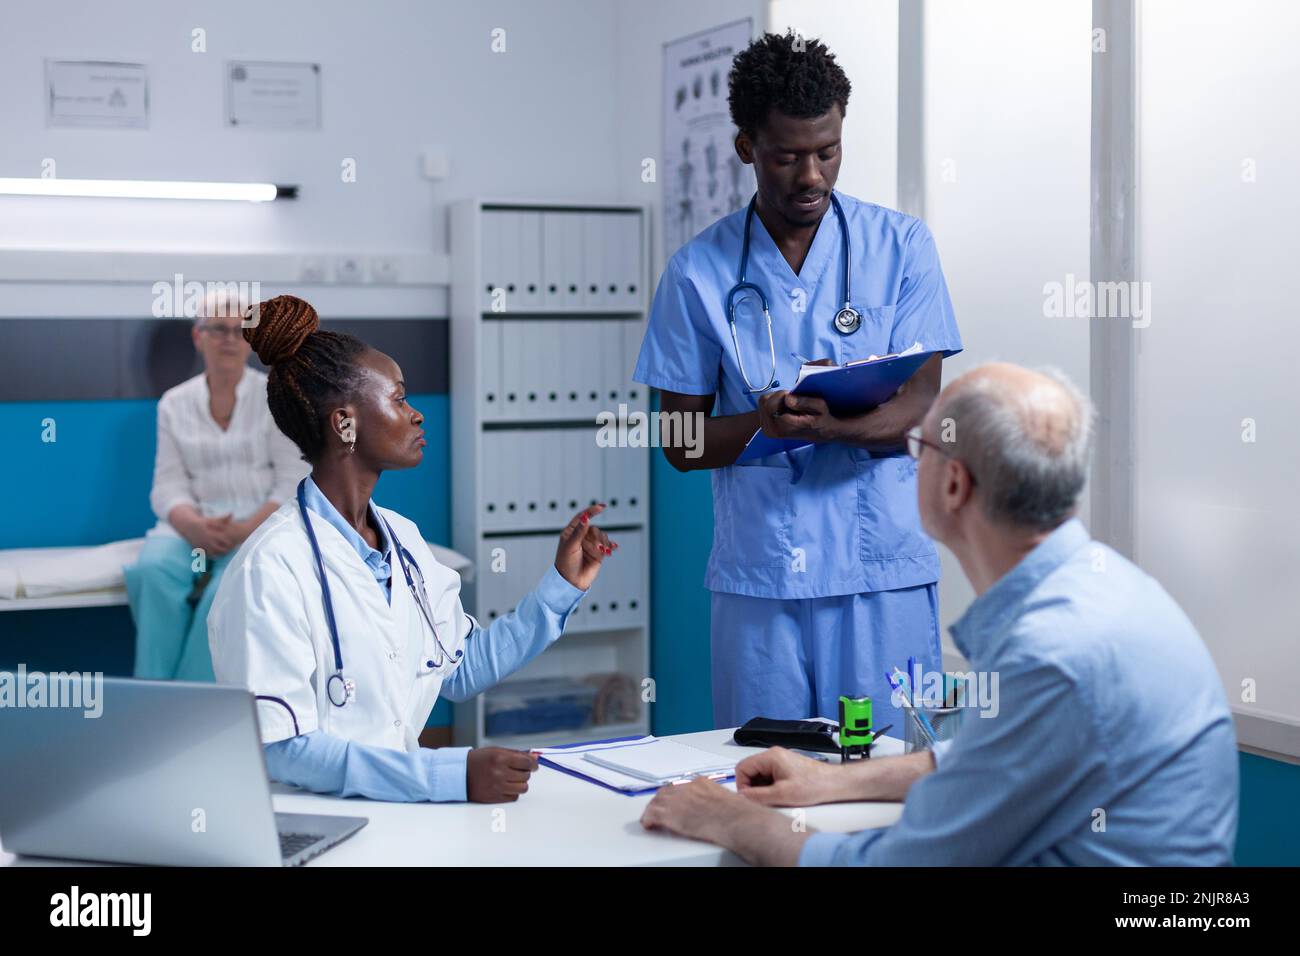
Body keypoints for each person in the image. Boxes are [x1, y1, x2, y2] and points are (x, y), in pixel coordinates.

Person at [640, 364, 1239, 866]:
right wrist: (833, 780)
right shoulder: (1102, 591)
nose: (906, 459)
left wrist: (726, 820)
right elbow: (996, 761)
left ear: (953, 485)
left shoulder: (1054, 652)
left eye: (916, 445)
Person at [633, 31, 963, 731]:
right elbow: (680, 441)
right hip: (764, 585)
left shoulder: (901, 247)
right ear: (747, 146)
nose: (811, 175)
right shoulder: (698, 271)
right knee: (768, 785)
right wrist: (764, 425)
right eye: (787, 156)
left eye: (827, 151)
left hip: (882, 576)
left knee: (895, 777)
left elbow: (923, 401)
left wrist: (828, 427)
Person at [207, 295, 617, 803]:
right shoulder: (270, 567)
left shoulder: (403, 542)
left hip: (401, 812)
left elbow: (462, 668)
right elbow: (283, 747)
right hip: (307, 820)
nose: (417, 414)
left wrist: (559, 588)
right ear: (344, 424)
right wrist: (445, 775)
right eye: (399, 399)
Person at [124, 289, 306, 681]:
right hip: (190, 526)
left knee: (225, 593)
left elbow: (292, 482)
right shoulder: (174, 403)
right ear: (198, 337)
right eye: (218, 329)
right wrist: (193, 527)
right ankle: (151, 694)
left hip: (260, 526)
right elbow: (167, 486)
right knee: (151, 572)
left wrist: (243, 529)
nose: (229, 338)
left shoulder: (275, 396)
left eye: (240, 330)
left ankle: (192, 708)